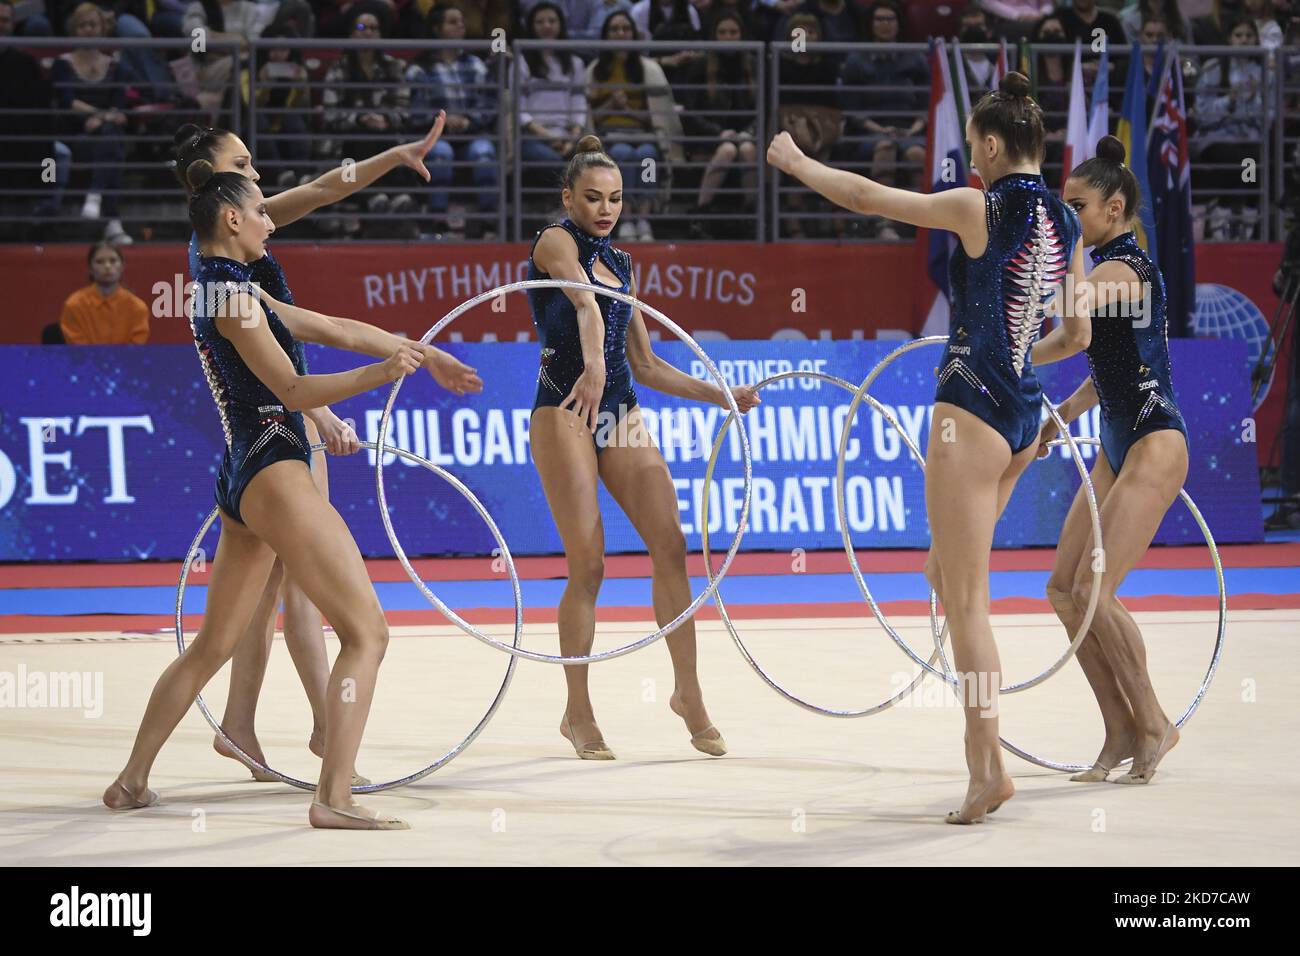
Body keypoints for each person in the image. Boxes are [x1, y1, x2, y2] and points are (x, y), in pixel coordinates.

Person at [103, 163, 482, 829]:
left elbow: (330, 326)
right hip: (273, 463)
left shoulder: (231, 289)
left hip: (242, 475)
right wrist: (381, 374)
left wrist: (421, 352)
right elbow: (297, 394)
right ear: (231, 220)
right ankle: (334, 796)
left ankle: (131, 782)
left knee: (211, 646)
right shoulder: (234, 300)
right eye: (261, 211)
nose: (271, 220)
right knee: (367, 632)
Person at [767, 72, 1090, 823]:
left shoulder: (980, 204)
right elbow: (1073, 337)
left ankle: (988, 766)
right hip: (1021, 421)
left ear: (987, 143)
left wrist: (797, 163)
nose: (969, 157)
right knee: (944, 576)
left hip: (969, 414)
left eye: (972, 146)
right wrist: (1011, 359)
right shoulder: (1068, 225)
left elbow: (868, 199)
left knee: (969, 603)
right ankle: (984, 763)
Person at [171, 117, 461, 783]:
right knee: (305, 582)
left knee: (278, 580)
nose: (258, 173)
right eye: (244, 163)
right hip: (276, 420)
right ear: (216, 183)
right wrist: (321, 408)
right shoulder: (223, 254)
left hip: (283, 408)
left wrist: (393, 155)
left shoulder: (239, 224)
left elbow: (327, 193)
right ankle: (329, 736)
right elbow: (274, 356)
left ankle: (244, 723)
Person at [525, 134, 760, 760]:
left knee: (671, 544)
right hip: (566, 408)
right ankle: (577, 711)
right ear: (568, 196)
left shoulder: (625, 265)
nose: (606, 209)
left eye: (616, 199)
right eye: (594, 198)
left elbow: (649, 365)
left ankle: (687, 692)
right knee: (590, 564)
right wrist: (593, 371)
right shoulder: (554, 241)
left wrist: (722, 395)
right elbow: (582, 303)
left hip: (621, 410)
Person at [1034, 136, 1186, 784]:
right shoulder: (1103, 271)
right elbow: (1105, 370)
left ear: (1114, 207)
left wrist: (1006, 354)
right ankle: (1119, 727)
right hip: (1115, 440)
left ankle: (1154, 721)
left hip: (1155, 440)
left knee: (1098, 591)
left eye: (1077, 206)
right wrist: (1060, 416)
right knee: (1064, 592)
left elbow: (1070, 328)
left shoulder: (1125, 272)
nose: (1068, 215)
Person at [586, 9, 684, 241]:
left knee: (648, 157)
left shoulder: (649, 70)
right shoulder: (595, 71)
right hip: (611, 135)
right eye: (614, 29)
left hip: (644, 135)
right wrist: (612, 104)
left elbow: (659, 116)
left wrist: (628, 110)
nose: (620, 34)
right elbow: (592, 118)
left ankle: (644, 218)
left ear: (634, 34)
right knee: (622, 154)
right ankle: (627, 218)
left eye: (625, 29)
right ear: (606, 35)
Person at [408, 3, 500, 238]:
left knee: (484, 153)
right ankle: (437, 222)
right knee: (441, 154)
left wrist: (469, 120)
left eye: (461, 21)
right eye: (453, 22)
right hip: (435, 136)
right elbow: (414, 110)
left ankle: (489, 224)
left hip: (471, 134)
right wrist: (443, 121)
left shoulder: (475, 65)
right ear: (437, 29)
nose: (461, 25)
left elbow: (489, 104)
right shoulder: (420, 69)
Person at [52, 2, 132, 243]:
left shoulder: (114, 65)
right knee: (113, 144)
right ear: (74, 30)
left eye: (93, 25)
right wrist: (100, 115)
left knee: (111, 138)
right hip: (76, 136)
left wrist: (103, 118)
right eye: (83, 25)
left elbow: (120, 106)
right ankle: (112, 221)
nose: (88, 30)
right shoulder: (62, 63)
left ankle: (96, 197)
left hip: (104, 133)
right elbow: (68, 102)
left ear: (102, 28)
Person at [678, 10, 758, 238]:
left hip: (744, 136)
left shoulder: (753, 65)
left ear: (741, 35)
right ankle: (700, 214)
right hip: (708, 137)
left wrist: (747, 132)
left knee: (747, 148)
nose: (728, 37)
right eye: (723, 32)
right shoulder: (700, 66)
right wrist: (718, 132)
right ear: (714, 35)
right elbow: (690, 112)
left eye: (733, 32)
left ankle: (751, 214)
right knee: (727, 149)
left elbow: (763, 109)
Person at [59, 241, 150, 343]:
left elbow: (134, 351)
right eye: (99, 261)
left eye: (113, 260)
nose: (107, 266)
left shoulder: (137, 308)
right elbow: (78, 351)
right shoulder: (73, 305)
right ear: (90, 268)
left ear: (122, 266)